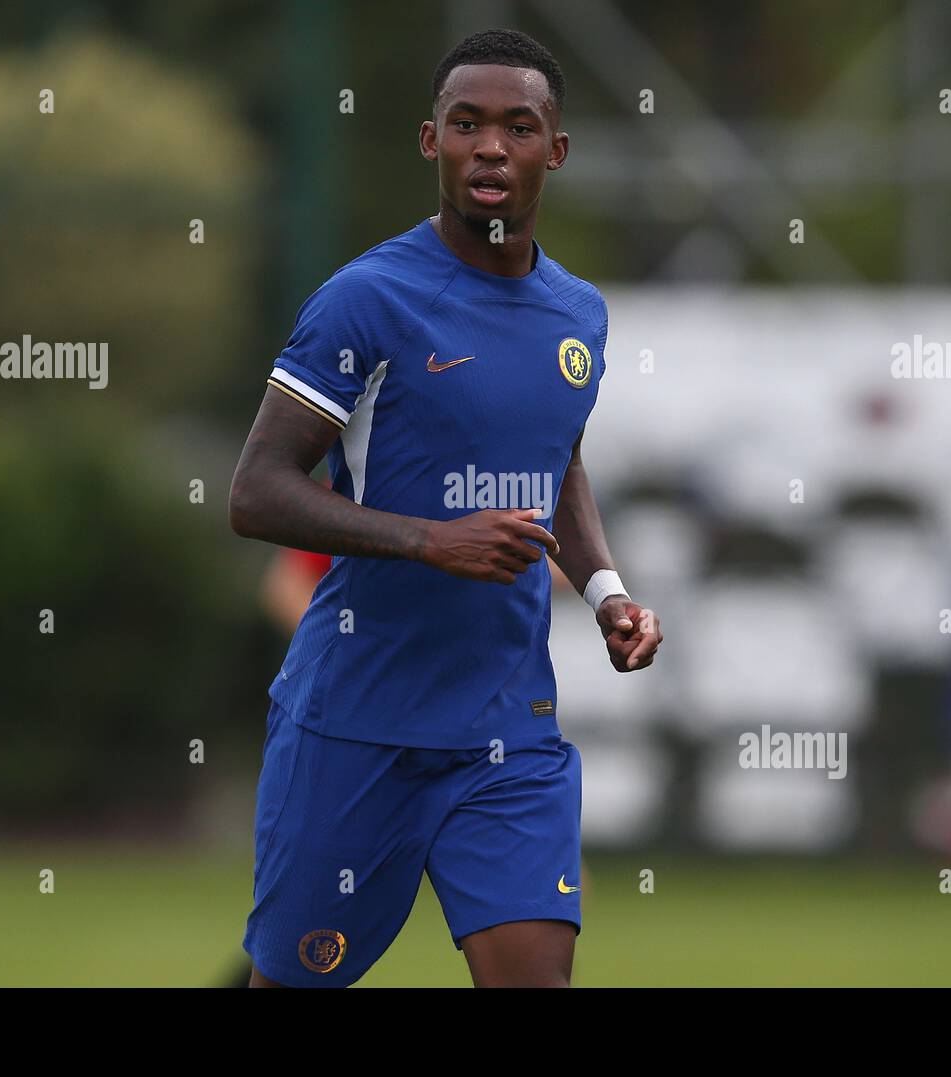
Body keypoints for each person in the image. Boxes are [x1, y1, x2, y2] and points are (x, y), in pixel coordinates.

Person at [228, 28, 662, 988]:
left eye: (519, 126)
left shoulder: (578, 313)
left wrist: (604, 590)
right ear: (433, 142)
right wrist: (430, 540)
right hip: (358, 724)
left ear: (556, 149)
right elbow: (255, 491)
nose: (491, 147)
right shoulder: (367, 300)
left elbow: (559, 460)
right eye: (467, 124)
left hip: (507, 730)